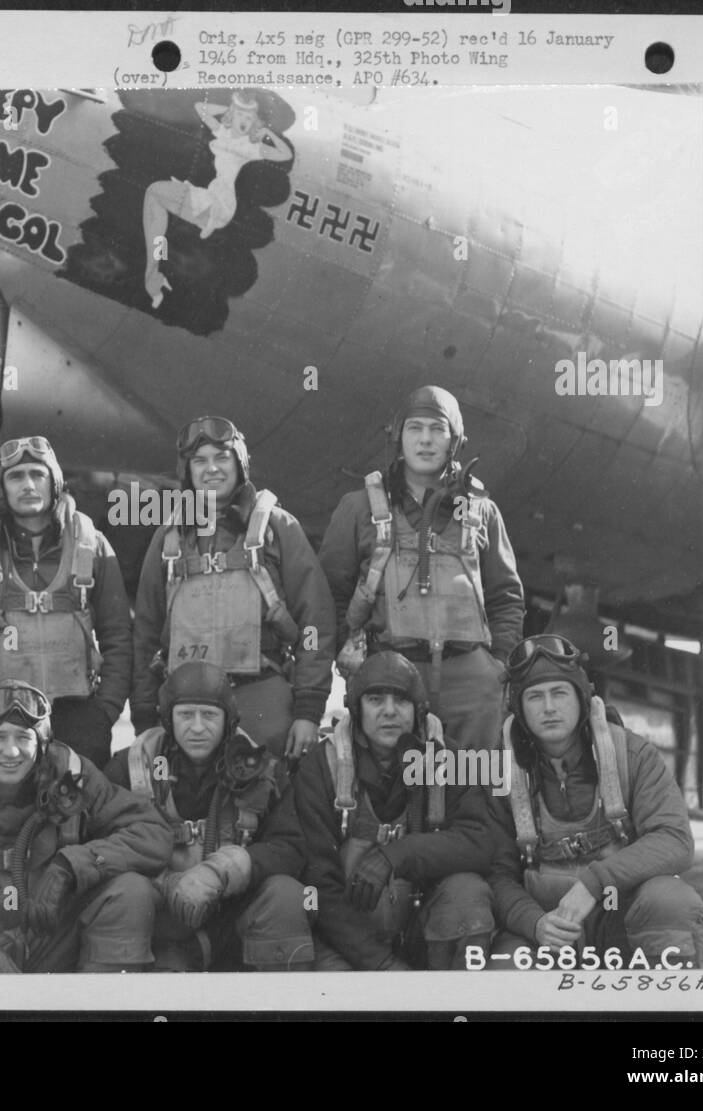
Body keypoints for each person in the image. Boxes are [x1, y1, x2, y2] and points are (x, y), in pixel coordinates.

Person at [0, 680, 171, 973]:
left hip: (52, 938)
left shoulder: (75, 780)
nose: (11, 752)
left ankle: (103, 1005)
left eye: (23, 738)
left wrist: (72, 864)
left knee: (130, 891)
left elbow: (152, 832)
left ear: (42, 741)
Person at [318, 385, 524, 751]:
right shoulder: (359, 507)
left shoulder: (481, 511)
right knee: (391, 794)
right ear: (398, 437)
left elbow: (505, 598)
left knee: (475, 793)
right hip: (391, 678)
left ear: (454, 440)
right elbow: (329, 593)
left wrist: (498, 666)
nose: (426, 440)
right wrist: (350, 660)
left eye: (437, 429)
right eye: (415, 428)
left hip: (471, 684)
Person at [488, 635, 703, 967]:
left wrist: (594, 883)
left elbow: (674, 839)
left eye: (559, 693)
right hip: (548, 926)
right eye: (534, 697)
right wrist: (534, 923)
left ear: (581, 697)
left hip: (620, 913)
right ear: (519, 709)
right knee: (505, 965)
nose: (548, 708)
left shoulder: (631, 755)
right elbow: (498, 874)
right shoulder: (501, 773)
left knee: (670, 901)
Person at [131, 415, 336, 761]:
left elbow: (316, 621)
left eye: (222, 458)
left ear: (239, 464)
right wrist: (143, 716)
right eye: (200, 461)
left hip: (260, 700)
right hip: (186, 707)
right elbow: (146, 634)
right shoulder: (168, 541)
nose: (212, 469)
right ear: (188, 471)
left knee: (270, 798)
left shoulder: (278, 528)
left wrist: (308, 710)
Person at [294, 650, 498, 970]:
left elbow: (479, 842)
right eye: (375, 700)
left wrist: (396, 855)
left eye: (401, 701)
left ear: (418, 711)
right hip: (346, 939)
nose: (389, 712)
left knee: (468, 891)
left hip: (423, 927)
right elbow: (319, 882)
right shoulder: (322, 766)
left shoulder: (452, 759)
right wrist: (383, 965)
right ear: (357, 709)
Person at [0, 436, 132, 769]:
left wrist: (105, 711)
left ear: (53, 482)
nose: (27, 484)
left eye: (37, 475)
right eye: (16, 476)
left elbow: (119, 637)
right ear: (2, 487)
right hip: (4, 719)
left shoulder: (93, 547)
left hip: (80, 717)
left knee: (83, 815)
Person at [105, 661, 312, 971]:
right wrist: (168, 882)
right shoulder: (130, 768)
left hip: (236, 917)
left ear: (228, 720)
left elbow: (290, 846)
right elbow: (101, 846)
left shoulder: (264, 771)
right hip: (164, 924)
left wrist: (225, 871)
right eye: (186, 715)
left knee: (286, 894)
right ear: (167, 718)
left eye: (210, 715)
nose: (198, 727)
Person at [141, 89, 292, 307]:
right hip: (209, 196)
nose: (244, 121)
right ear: (233, 116)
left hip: (219, 203)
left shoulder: (251, 147)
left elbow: (285, 153)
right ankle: (155, 272)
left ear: (254, 123)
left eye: (250, 118)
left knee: (155, 195)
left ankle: (153, 275)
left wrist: (268, 132)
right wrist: (230, 108)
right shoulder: (223, 132)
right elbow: (200, 109)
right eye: (241, 116)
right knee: (156, 199)